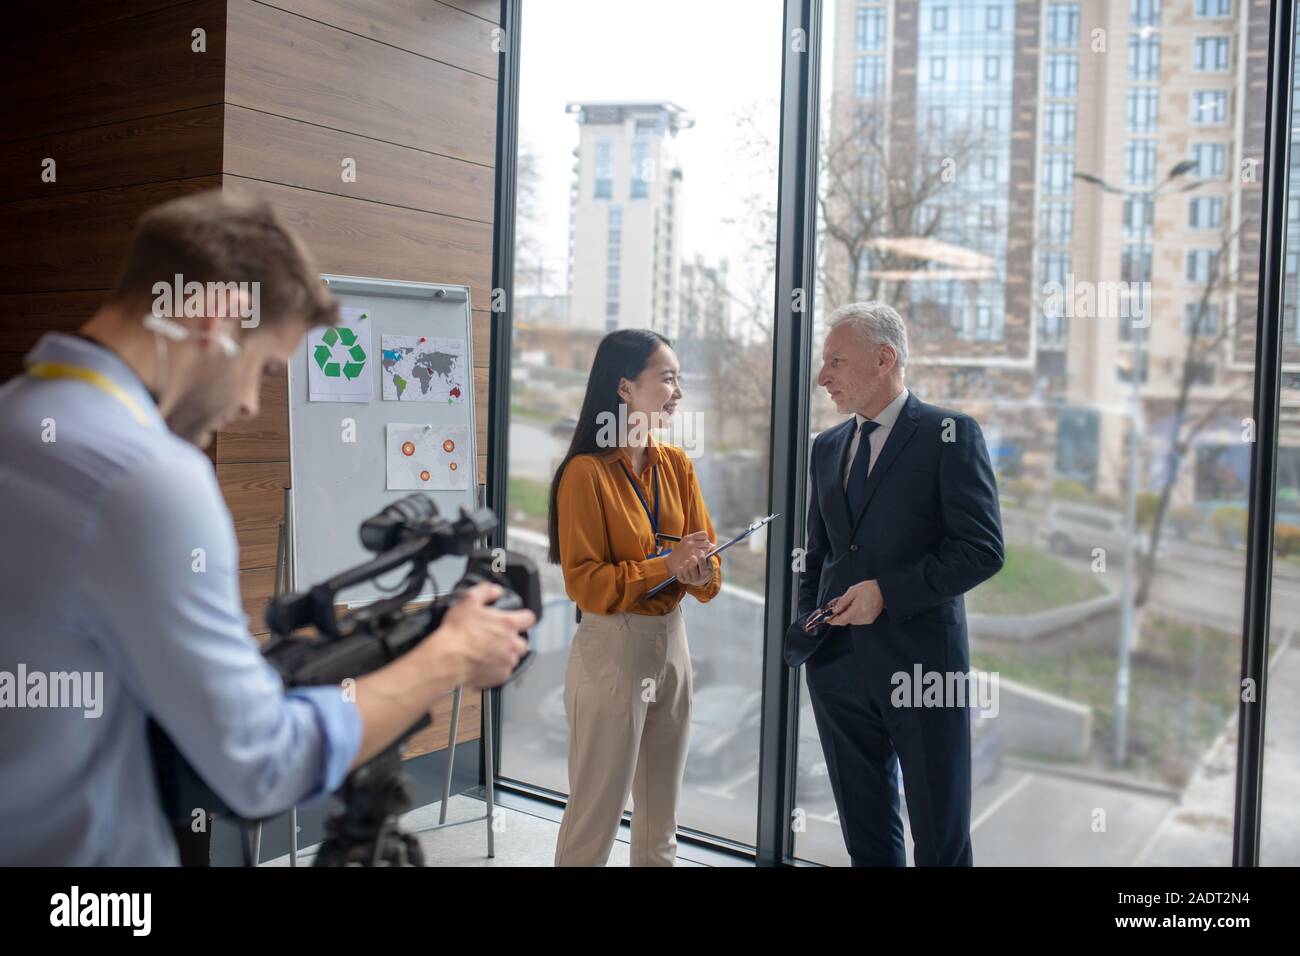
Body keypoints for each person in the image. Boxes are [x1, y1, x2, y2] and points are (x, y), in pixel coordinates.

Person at [0, 190, 532, 865]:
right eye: (264, 367)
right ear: (218, 318)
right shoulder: (146, 477)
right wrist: (448, 657)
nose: (251, 403)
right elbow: (261, 764)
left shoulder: (19, 416)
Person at [786, 301, 1004, 866]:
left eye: (836, 360)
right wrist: (811, 622)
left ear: (884, 359)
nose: (823, 376)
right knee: (866, 838)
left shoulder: (950, 435)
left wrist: (886, 593)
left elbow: (982, 550)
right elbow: (819, 553)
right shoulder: (826, 446)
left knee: (940, 839)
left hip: (923, 670)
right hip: (836, 666)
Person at [547, 329, 723, 866]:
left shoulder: (678, 465)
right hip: (613, 646)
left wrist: (696, 572)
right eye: (667, 379)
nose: (678, 392)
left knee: (661, 819)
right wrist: (665, 565)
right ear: (624, 388)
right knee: (595, 815)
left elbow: (711, 573)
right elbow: (586, 585)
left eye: (679, 379)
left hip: (673, 641)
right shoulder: (585, 473)